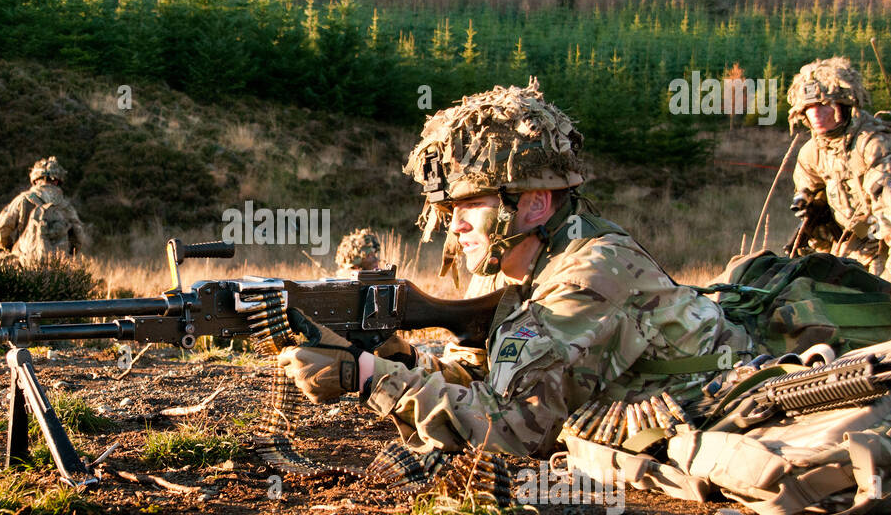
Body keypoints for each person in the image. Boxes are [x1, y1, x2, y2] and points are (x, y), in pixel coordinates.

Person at [277, 81, 751, 460]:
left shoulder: (591, 275)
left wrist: (368, 378)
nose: (455, 225)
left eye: (472, 206)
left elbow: (515, 433)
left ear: (536, 204)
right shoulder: (506, 264)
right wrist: (396, 357)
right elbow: (483, 382)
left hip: (718, 402)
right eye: (448, 210)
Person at [789, 57, 891, 298]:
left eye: (824, 104)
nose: (816, 114)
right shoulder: (812, 153)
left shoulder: (875, 146)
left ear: (844, 105)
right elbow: (806, 193)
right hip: (860, 238)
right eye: (808, 108)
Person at [0, 156, 87, 266]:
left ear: (35, 180)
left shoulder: (23, 200)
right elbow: (79, 239)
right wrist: (66, 254)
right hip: (57, 269)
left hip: (25, 264)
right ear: (58, 181)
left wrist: (9, 247)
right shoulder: (65, 206)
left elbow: (0, 230)